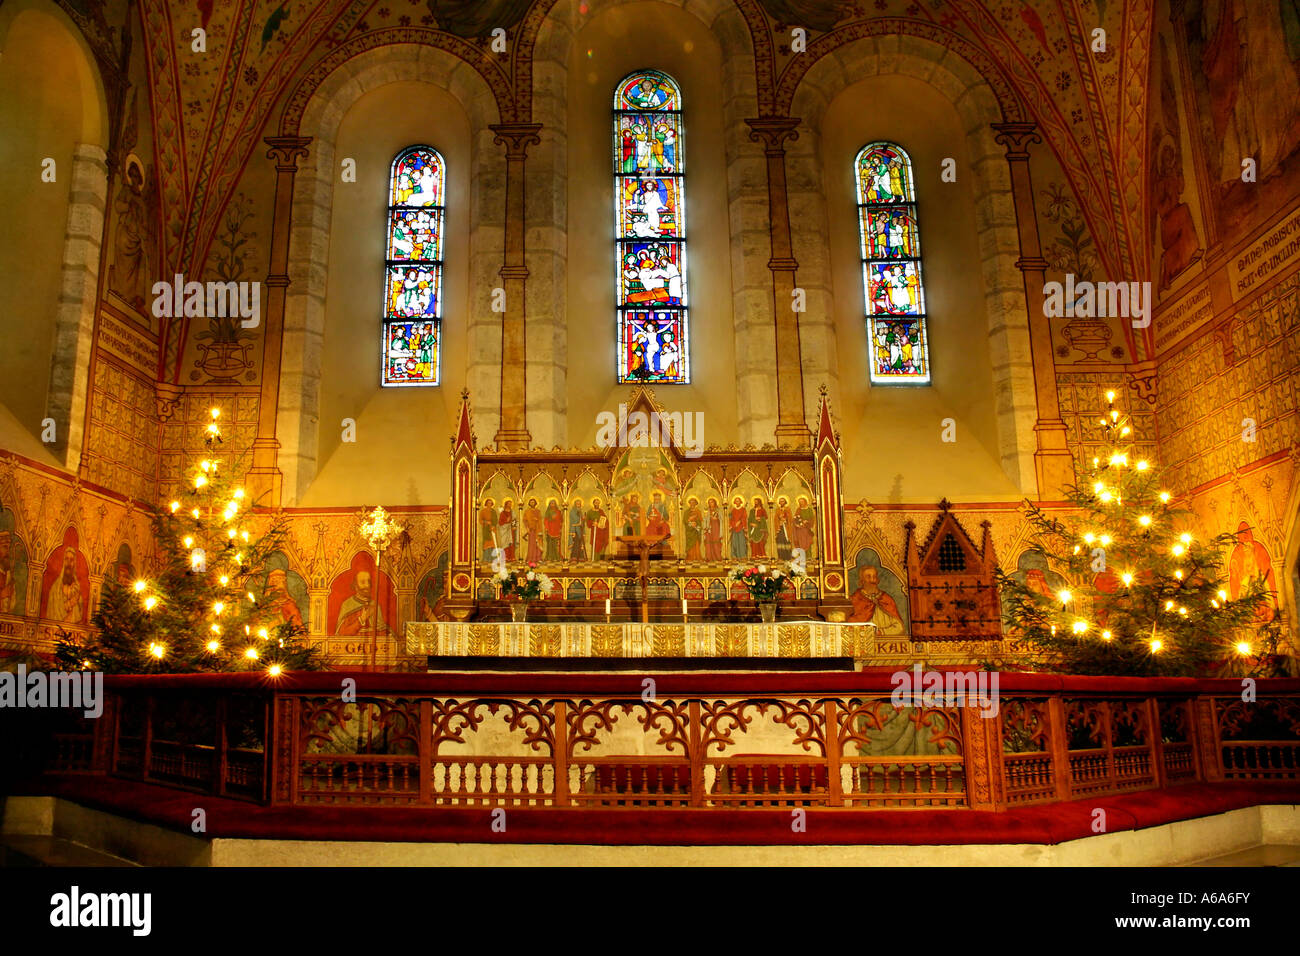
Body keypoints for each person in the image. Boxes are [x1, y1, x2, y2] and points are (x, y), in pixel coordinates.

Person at [848, 565, 905, 635]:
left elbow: (899, 627)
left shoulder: (886, 599)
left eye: (874, 577)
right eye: (868, 577)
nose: (872, 580)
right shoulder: (855, 600)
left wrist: (881, 632)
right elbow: (849, 628)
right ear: (862, 580)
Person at [336, 569, 391, 636]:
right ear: (355, 585)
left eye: (369, 582)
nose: (367, 585)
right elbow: (342, 633)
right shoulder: (347, 605)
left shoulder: (375, 605)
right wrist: (361, 619)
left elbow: (380, 629)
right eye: (363, 582)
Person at [47, 548, 83, 624]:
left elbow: (80, 611)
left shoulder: (77, 587)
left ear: (74, 563)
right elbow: (52, 609)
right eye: (66, 559)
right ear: (63, 562)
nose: (69, 563)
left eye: (71, 560)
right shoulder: (55, 587)